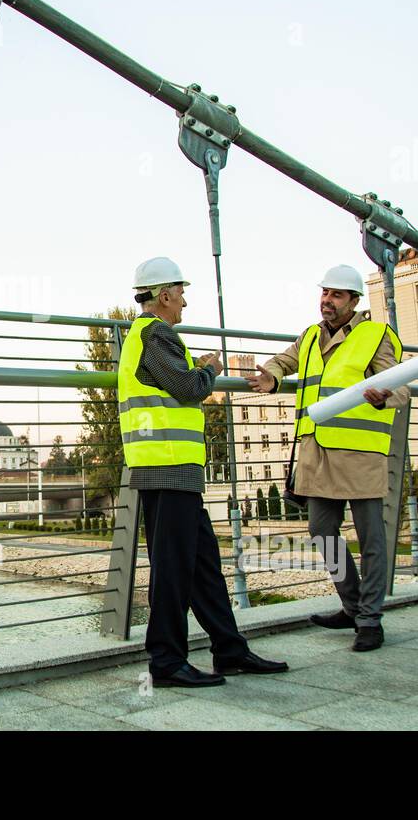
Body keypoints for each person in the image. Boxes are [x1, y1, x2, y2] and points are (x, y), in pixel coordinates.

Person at [119, 257, 288, 687]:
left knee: (202, 565)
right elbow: (188, 388)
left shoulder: (144, 335)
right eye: (181, 291)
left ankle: (229, 650)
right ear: (164, 294)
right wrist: (209, 368)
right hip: (167, 465)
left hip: (172, 468)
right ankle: (166, 662)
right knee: (174, 567)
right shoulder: (155, 333)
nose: (185, 301)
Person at [248, 264, 408, 651]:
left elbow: (400, 389)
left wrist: (383, 393)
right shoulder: (308, 337)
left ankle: (370, 620)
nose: (327, 301)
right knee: (322, 532)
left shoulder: (376, 335)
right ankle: (352, 606)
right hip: (316, 450)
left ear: (354, 301)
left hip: (360, 451)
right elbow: (282, 361)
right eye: (325, 294)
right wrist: (271, 376)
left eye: (337, 295)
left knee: (371, 539)